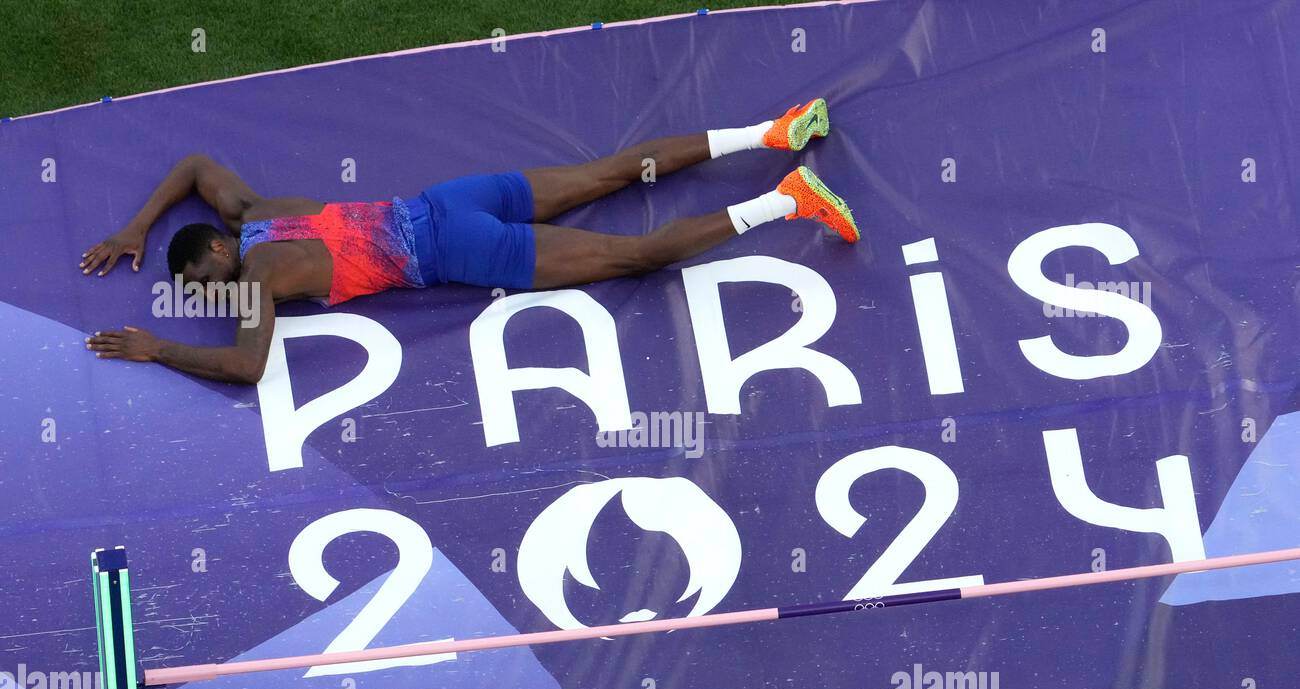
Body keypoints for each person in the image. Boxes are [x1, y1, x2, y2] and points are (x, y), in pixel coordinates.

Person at [82, 98, 858, 385]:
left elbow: (249, 366)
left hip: (461, 256)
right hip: (452, 198)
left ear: (220, 256)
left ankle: (784, 201)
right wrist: (136, 227)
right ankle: (773, 129)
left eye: (211, 288)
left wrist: (162, 351)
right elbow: (191, 165)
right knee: (611, 174)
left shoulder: (255, 279)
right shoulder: (250, 208)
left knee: (634, 256)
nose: (221, 299)